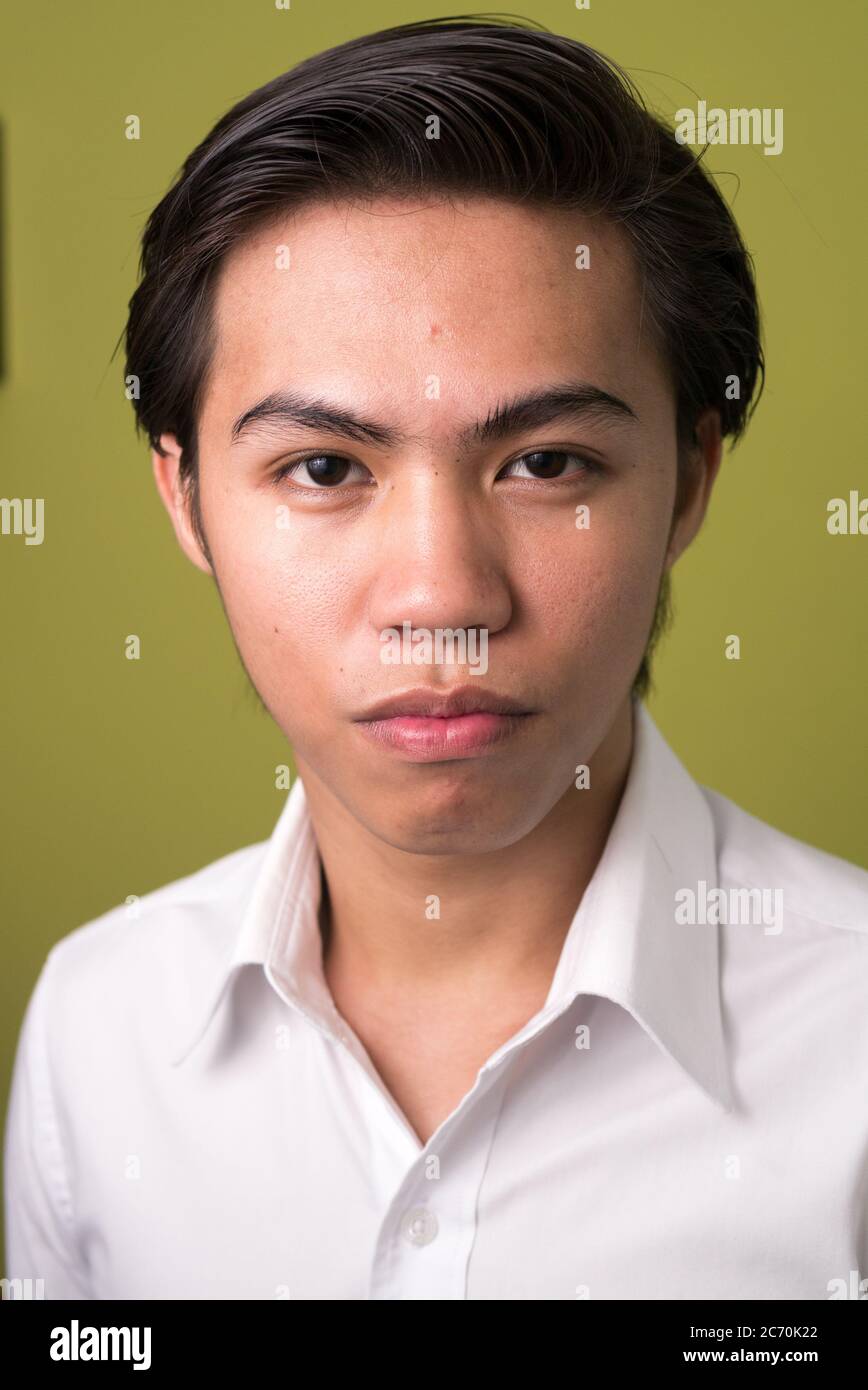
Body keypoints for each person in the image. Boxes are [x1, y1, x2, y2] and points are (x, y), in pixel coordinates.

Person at [4, 15, 867, 1301]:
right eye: (323, 469)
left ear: (688, 482)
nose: (442, 597)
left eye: (547, 464)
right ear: (184, 500)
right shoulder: (101, 1019)